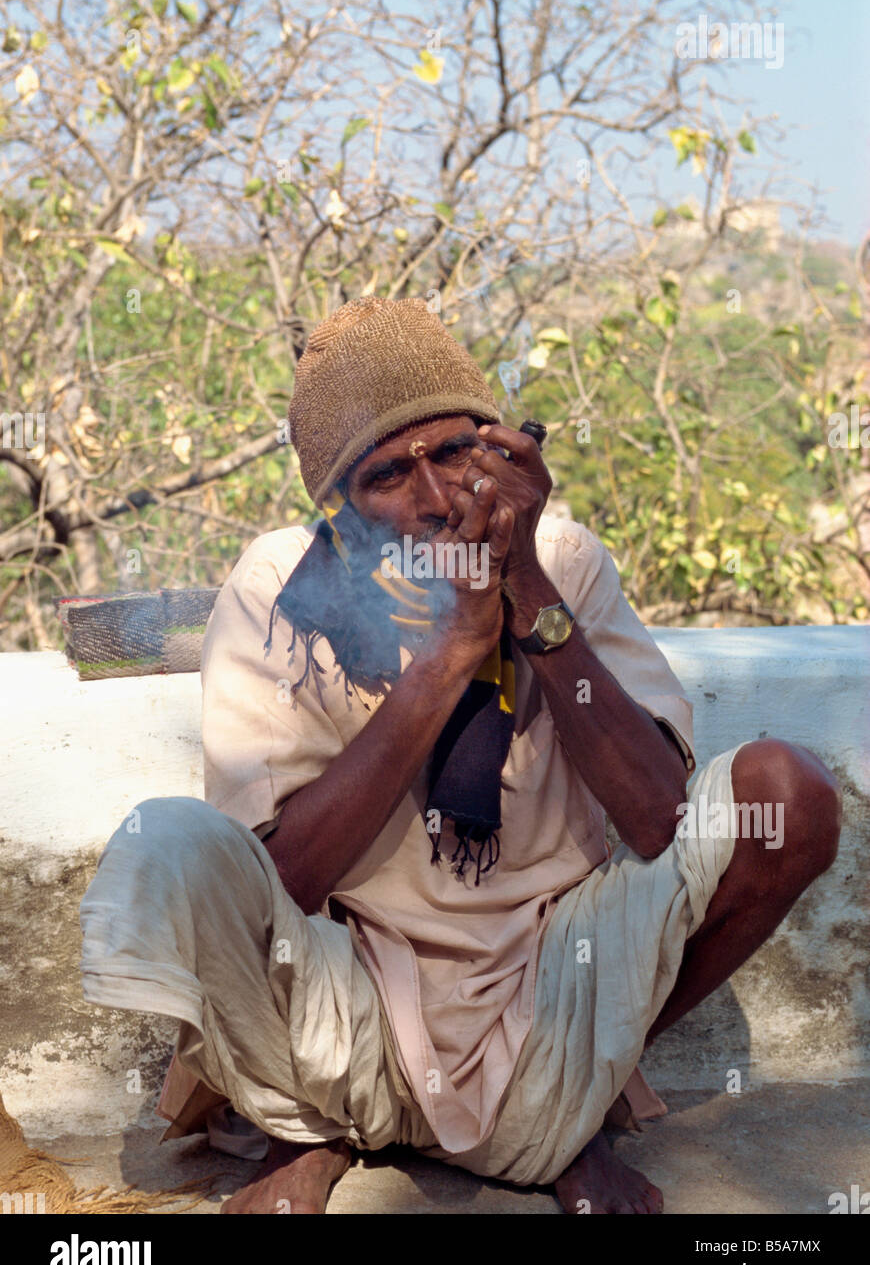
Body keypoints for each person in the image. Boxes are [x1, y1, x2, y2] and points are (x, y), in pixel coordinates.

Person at [80, 295, 841, 1215]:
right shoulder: (280, 590)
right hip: (352, 1008)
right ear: (340, 506)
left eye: (452, 453)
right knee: (168, 843)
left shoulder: (563, 557)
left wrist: (525, 592)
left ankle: (575, 1112)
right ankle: (303, 1130)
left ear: (502, 448)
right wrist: (449, 656)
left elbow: (658, 823)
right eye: (388, 476)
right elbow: (283, 878)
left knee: (785, 794)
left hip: (558, 995)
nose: (437, 500)